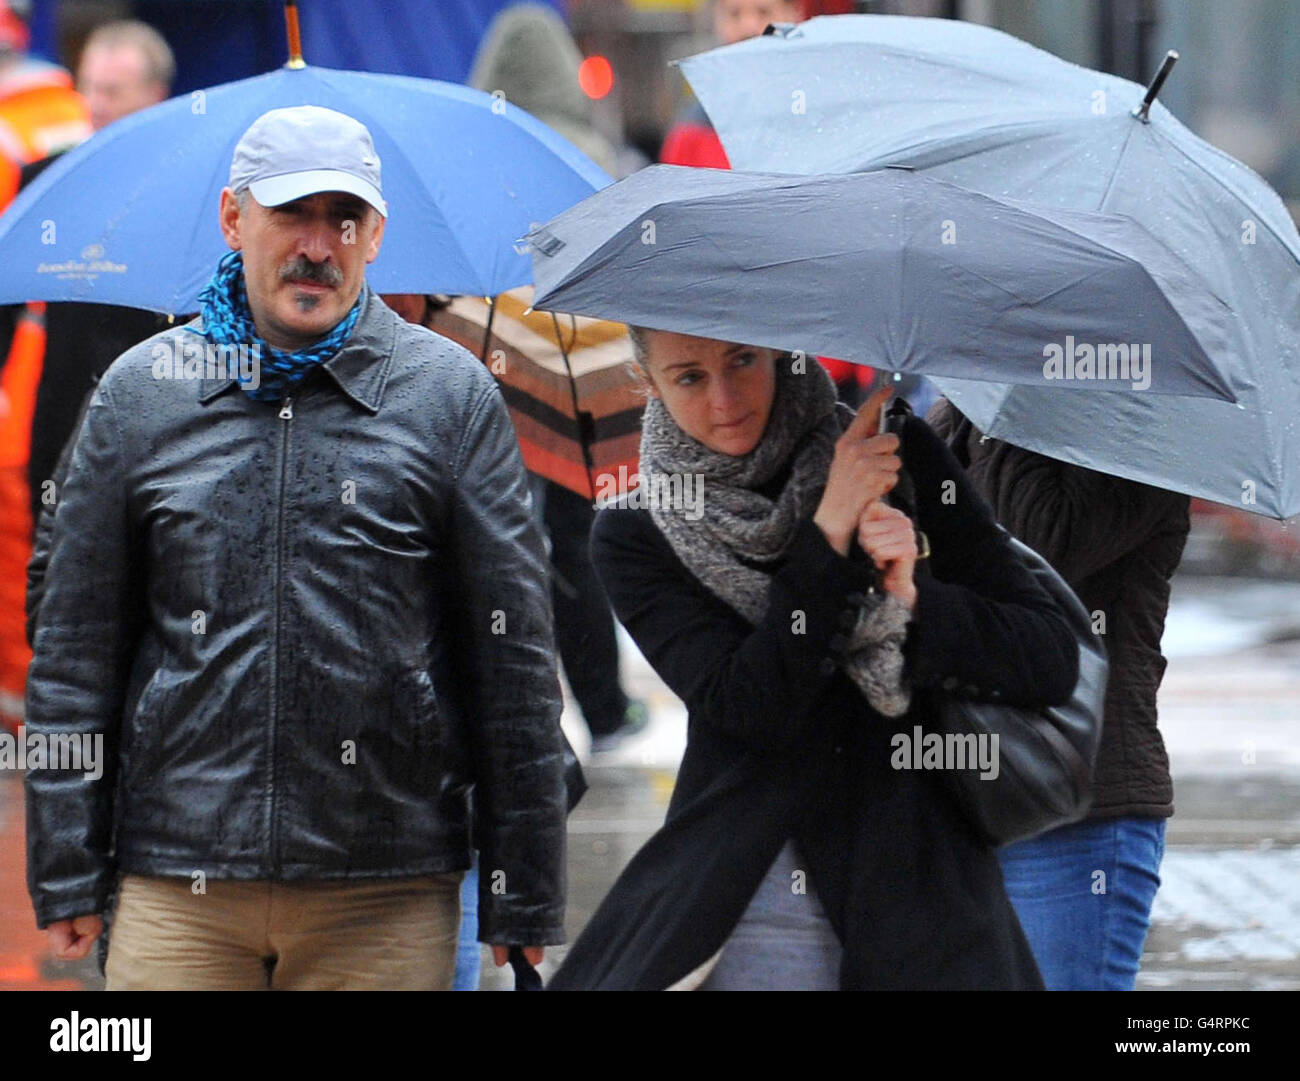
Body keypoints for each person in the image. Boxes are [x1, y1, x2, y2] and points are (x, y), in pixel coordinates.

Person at [24, 105, 568, 990]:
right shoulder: (141, 396)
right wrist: (65, 861)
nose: (319, 245)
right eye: (292, 215)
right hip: (176, 881)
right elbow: (75, 650)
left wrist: (524, 886)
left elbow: (512, 660)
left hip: (386, 887)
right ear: (235, 220)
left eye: (342, 220)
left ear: (376, 236)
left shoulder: (448, 398)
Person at [548, 329, 1080, 990]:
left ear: (778, 352)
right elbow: (750, 706)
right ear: (649, 383)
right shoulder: (638, 530)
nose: (724, 397)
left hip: (920, 889)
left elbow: (1050, 655)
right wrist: (828, 534)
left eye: (742, 360)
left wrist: (914, 596)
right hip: (741, 895)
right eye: (689, 376)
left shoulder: (892, 451)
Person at [928, 399, 1187, 991]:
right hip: (960, 804)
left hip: (1078, 818)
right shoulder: (954, 420)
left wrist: (1011, 407)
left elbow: (1032, 550)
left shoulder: (1138, 436)